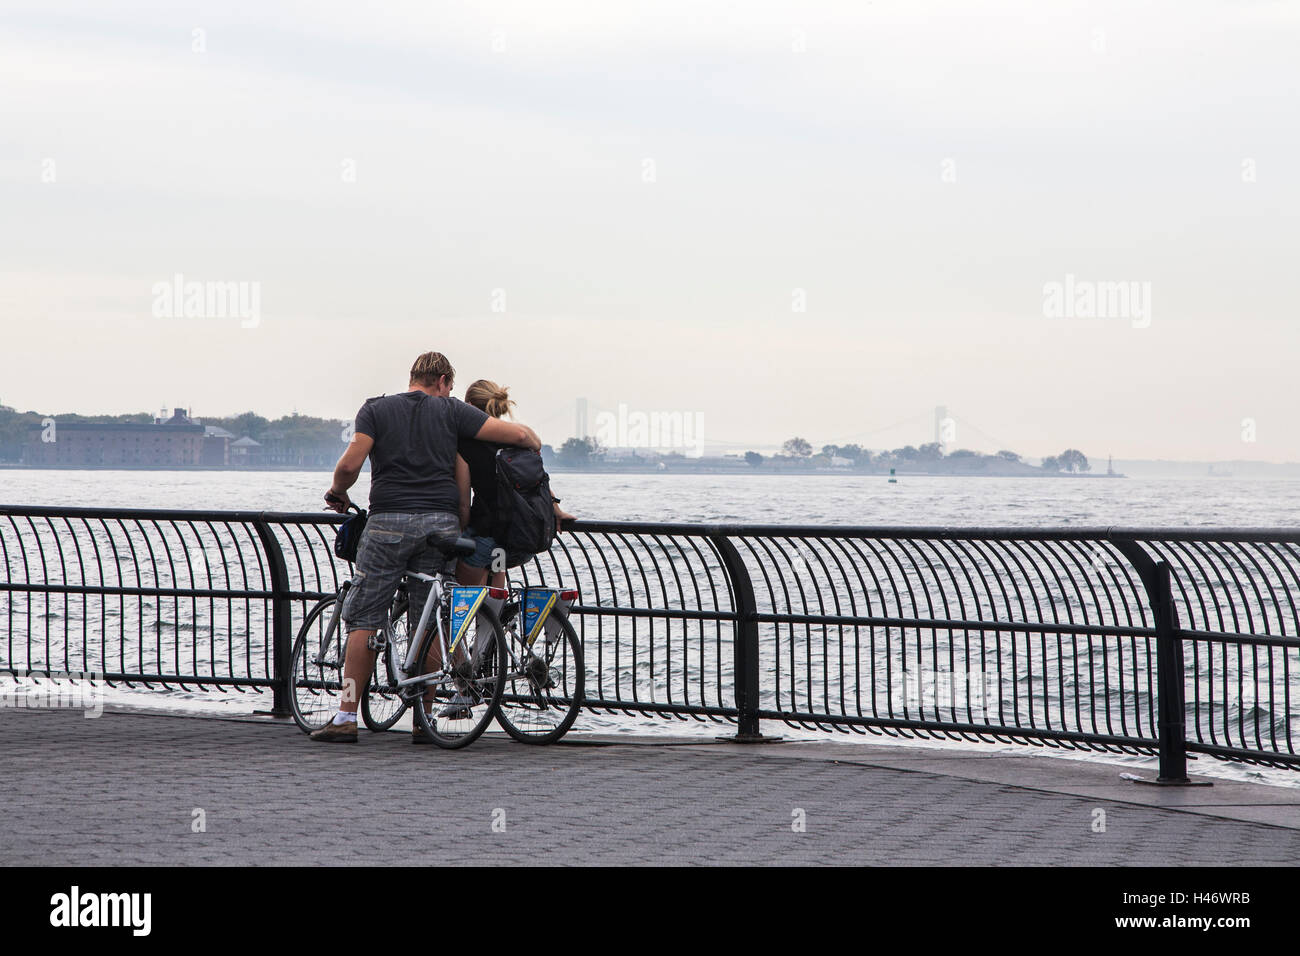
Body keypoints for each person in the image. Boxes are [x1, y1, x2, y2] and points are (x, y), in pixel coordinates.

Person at [311, 352, 543, 743]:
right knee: (430, 618)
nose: (449, 392)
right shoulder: (452, 411)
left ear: (413, 377)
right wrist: (533, 440)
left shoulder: (375, 410)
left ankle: (346, 716)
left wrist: (337, 491)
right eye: (449, 386)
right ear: (443, 381)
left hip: (388, 524)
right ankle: (425, 720)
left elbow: (349, 467)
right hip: (441, 526)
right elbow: (520, 437)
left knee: (365, 619)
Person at [455, 380, 574, 588]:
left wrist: (459, 533)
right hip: (517, 541)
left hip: (486, 537)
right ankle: (496, 617)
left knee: (462, 607)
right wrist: (556, 510)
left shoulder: (465, 445)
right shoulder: (518, 440)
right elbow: (537, 482)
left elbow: (463, 504)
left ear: (470, 408)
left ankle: (480, 617)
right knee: (493, 592)